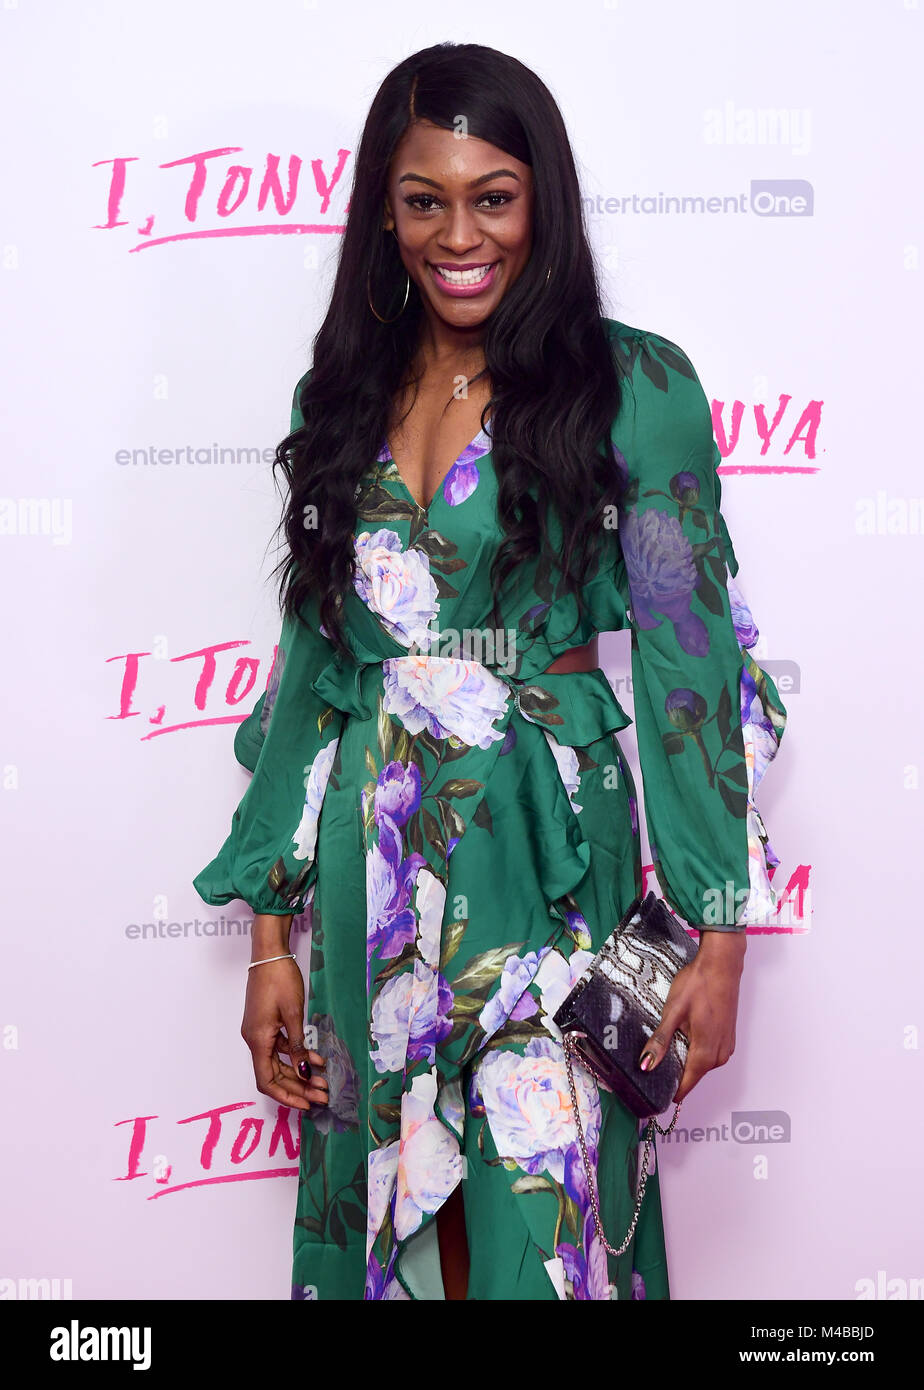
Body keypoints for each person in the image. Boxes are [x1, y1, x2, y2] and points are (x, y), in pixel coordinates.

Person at [193, 41, 787, 1302]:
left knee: (551, 1226)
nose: (458, 234)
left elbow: (691, 673)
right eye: (423, 200)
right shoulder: (340, 390)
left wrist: (717, 941)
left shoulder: (636, 384)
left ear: (543, 201)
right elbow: (314, 676)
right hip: (376, 856)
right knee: (396, 1240)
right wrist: (269, 939)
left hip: (544, 853)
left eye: (494, 196)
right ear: (384, 210)